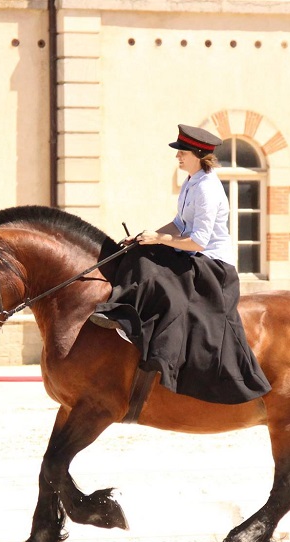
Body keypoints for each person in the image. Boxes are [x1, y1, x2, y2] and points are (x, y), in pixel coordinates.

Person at [90, 124, 271, 405]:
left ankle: (144, 336)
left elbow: (198, 242)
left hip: (213, 265)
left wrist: (158, 239)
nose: (178, 157)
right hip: (193, 256)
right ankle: (122, 317)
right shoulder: (191, 182)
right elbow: (178, 224)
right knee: (139, 255)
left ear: (198, 154)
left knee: (152, 271)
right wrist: (144, 237)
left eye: (182, 152)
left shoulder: (208, 189)